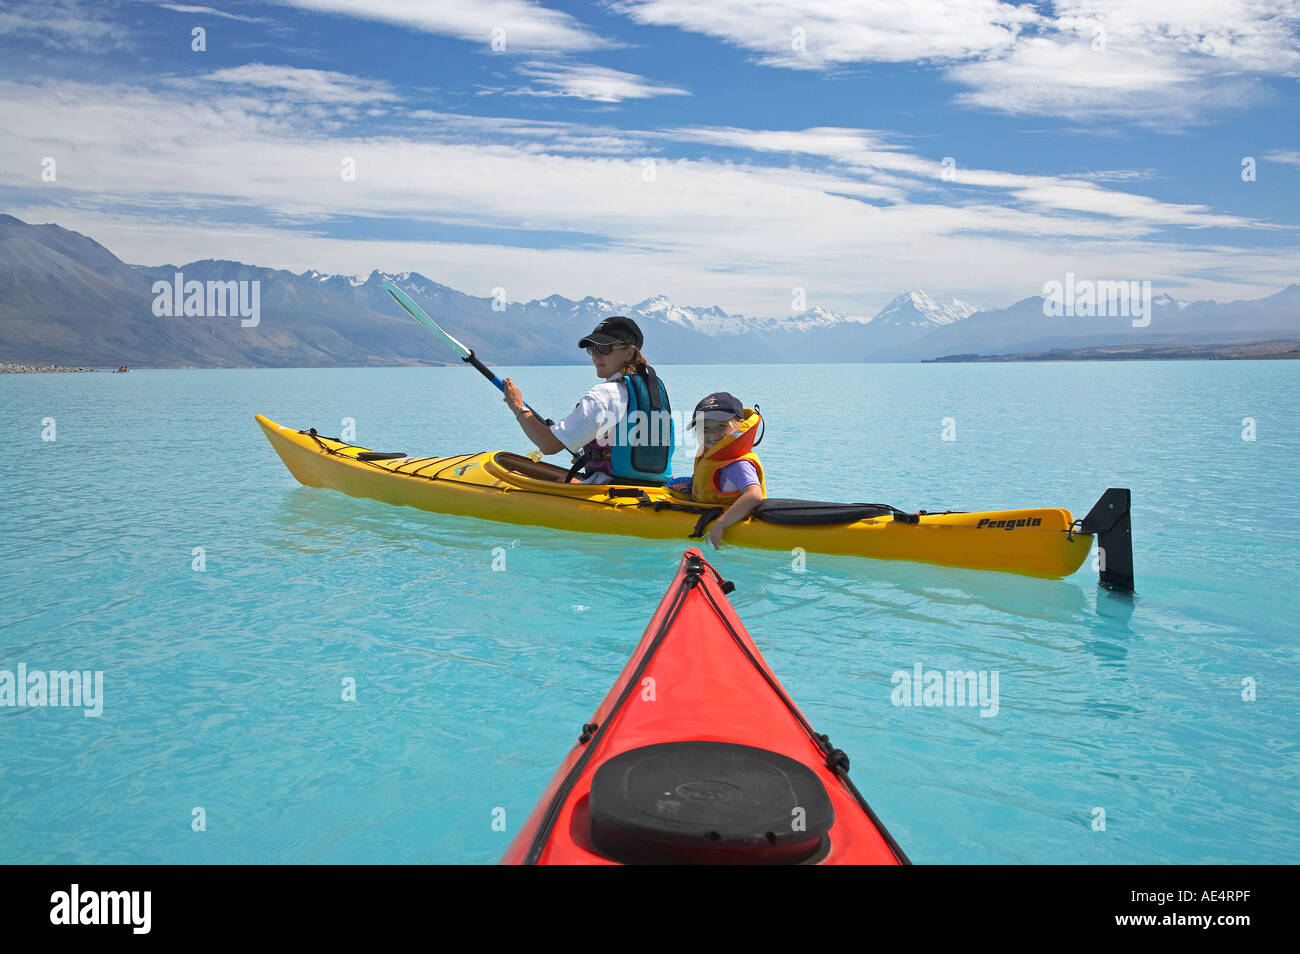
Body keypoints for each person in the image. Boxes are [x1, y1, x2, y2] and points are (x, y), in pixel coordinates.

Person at [502, 316, 673, 484]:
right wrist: (593, 455)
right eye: (592, 349)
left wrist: (516, 405)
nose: (596, 356)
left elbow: (548, 445)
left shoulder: (603, 395)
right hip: (651, 490)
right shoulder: (653, 391)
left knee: (516, 475)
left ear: (629, 352)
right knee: (561, 478)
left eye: (605, 349)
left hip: (608, 491)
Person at [673, 392, 765, 549]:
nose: (712, 435)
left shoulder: (736, 463)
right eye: (705, 428)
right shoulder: (715, 457)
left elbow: (754, 495)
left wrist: (721, 524)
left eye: (721, 426)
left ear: (739, 425)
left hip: (729, 521)